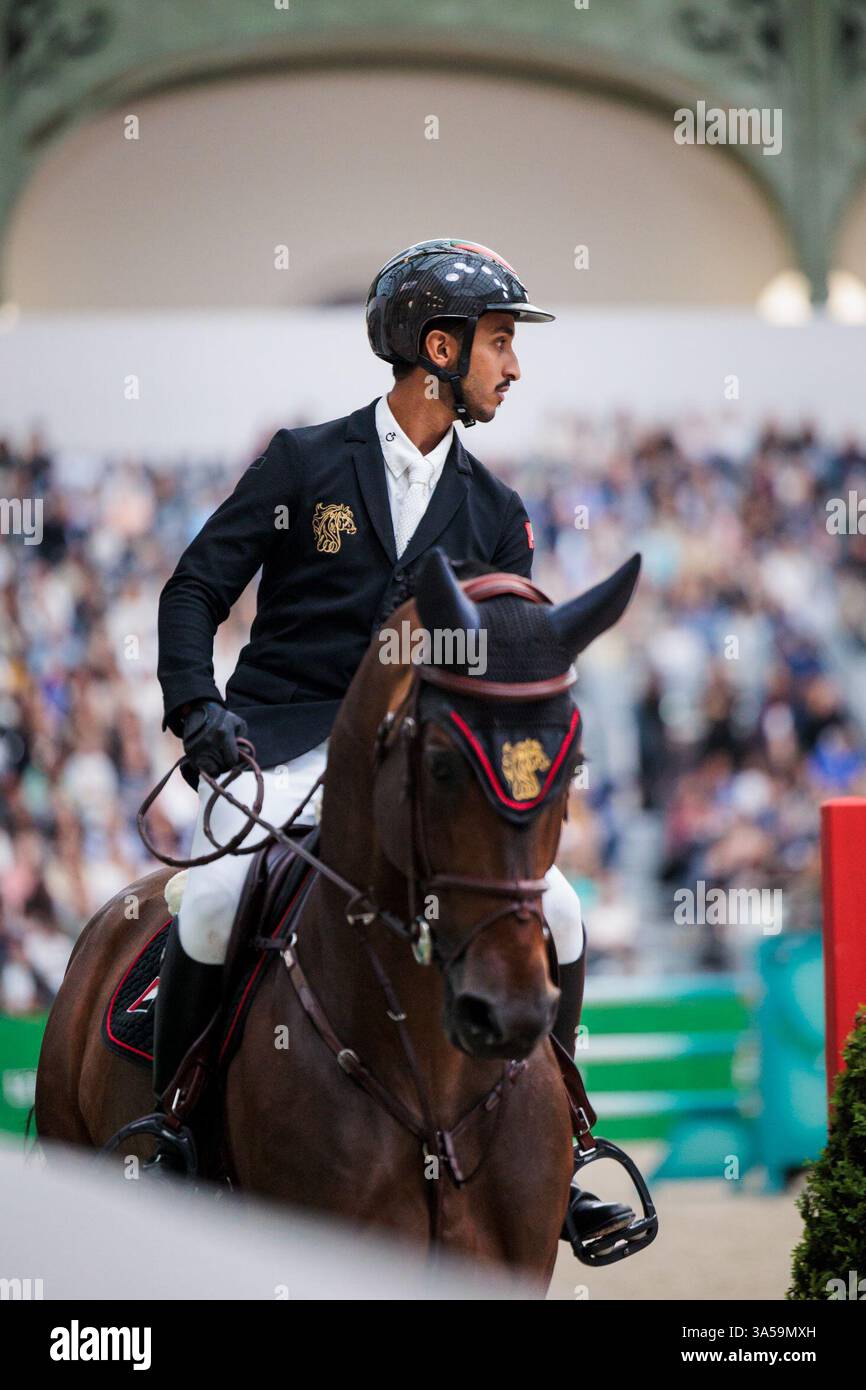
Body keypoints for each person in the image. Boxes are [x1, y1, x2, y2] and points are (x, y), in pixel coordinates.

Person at [152, 238, 634, 1246]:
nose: (513, 366)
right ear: (436, 348)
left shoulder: (496, 515)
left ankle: (570, 1139)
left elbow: (502, 674)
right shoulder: (303, 462)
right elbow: (195, 588)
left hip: (420, 768)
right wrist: (199, 711)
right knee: (207, 897)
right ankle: (179, 1132)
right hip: (279, 744)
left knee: (563, 909)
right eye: (499, 342)